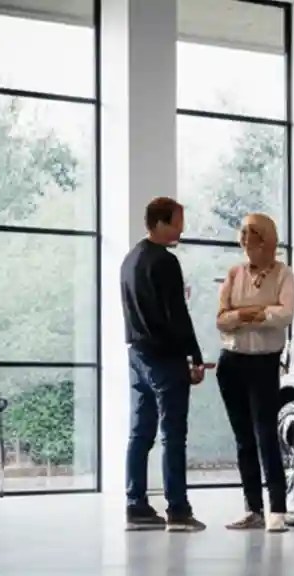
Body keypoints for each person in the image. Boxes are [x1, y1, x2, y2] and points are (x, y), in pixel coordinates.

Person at [121, 197, 208, 532]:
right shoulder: (165, 262)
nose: (181, 229)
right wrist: (194, 357)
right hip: (166, 358)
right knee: (174, 435)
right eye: (177, 222)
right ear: (159, 223)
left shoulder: (129, 260)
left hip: (137, 354)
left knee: (140, 433)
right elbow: (177, 316)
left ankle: (136, 505)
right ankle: (178, 510)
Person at [216, 213, 294, 533]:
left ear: (266, 240)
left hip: (264, 363)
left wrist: (248, 314)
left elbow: (285, 314)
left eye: (250, 236)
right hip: (231, 362)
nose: (245, 243)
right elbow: (221, 319)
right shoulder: (234, 273)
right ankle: (253, 509)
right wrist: (256, 313)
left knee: (266, 435)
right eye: (243, 237)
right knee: (243, 439)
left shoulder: (283, 274)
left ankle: (277, 509)